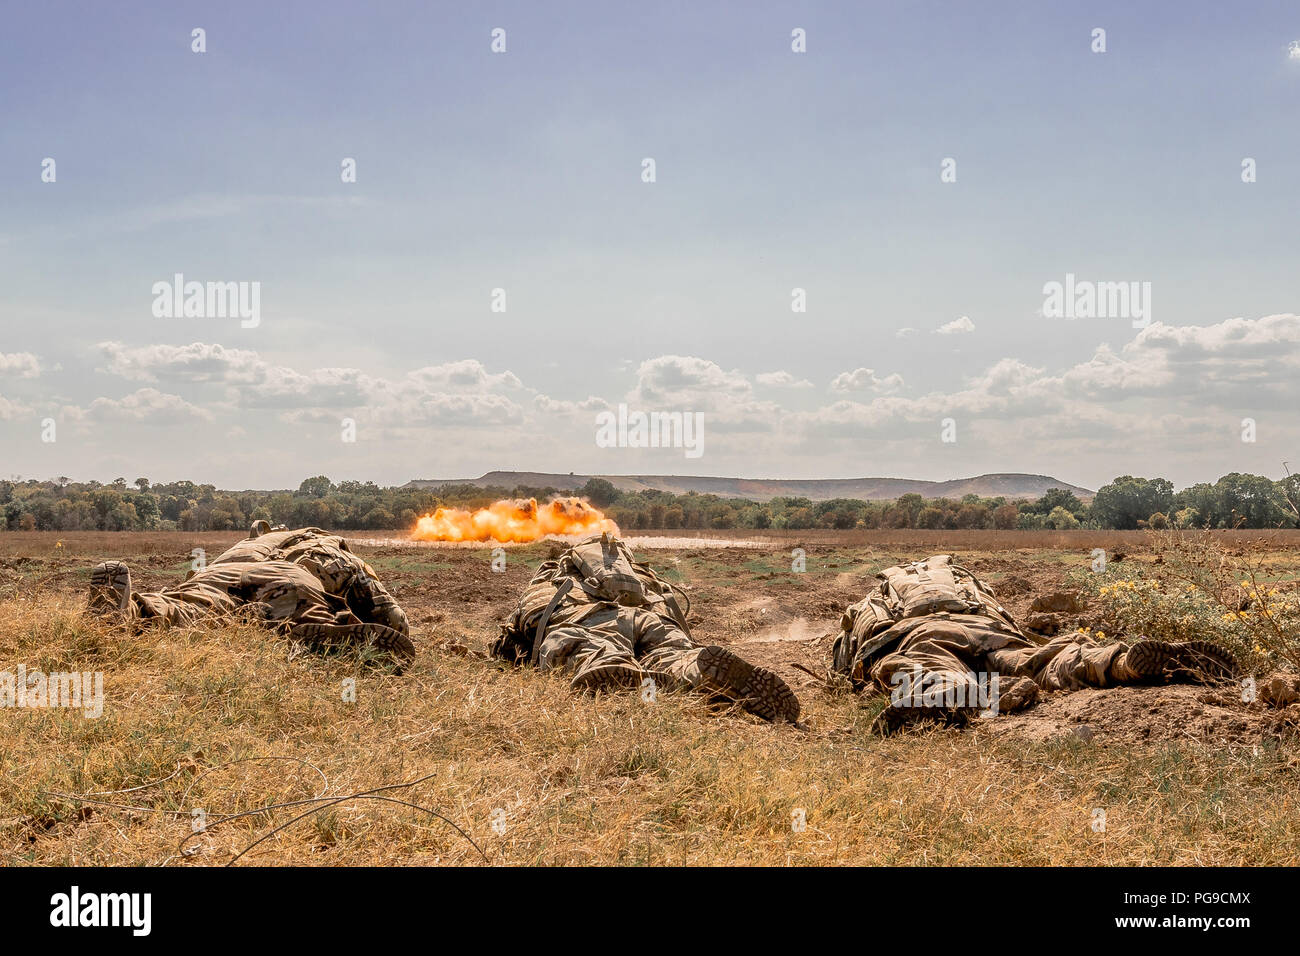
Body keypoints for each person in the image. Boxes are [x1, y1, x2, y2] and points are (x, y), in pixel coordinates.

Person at [830, 554, 1239, 733]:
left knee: (926, 670)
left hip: (924, 635)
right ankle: (1115, 661)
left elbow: (850, 657)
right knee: (1042, 660)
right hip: (990, 631)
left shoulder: (874, 600)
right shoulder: (968, 585)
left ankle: (958, 694)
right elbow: (1010, 620)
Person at [492, 532, 800, 722]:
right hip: (653, 620)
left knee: (586, 644)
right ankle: (695, 667)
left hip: (593, 618)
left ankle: (611, 667)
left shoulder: (553, 576)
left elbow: (524, 625)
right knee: (672, 653)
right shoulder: (640, 577)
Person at [87, 523, 414, 665]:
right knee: (299, 605)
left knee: (197, 606)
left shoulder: (246, 544)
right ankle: (311, 632)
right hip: (284, 576)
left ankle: (134, 610)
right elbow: (393, 620)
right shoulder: (327, 546)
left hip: (217, 576)